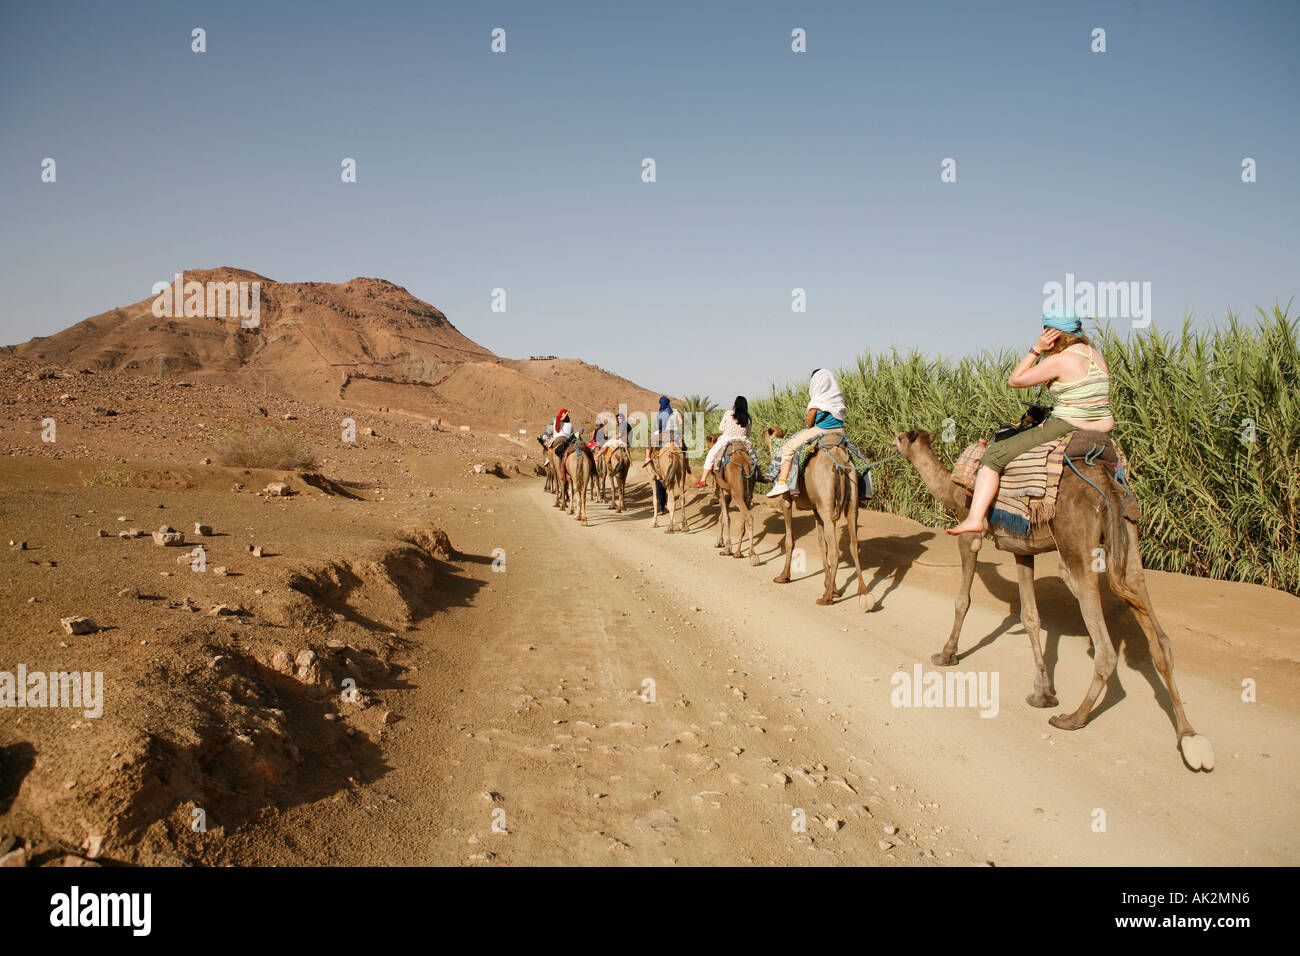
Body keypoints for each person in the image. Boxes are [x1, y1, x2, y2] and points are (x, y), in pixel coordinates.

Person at [947, 313, 1114, 536]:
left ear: (1052, 334)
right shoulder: (1096, 355)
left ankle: (976, 518)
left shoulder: (1062, 359)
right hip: (1103, 427)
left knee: (994, 455)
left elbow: (1015, 380)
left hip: (1068, 424)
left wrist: (1036, 349)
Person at [767, 369, 847, 497]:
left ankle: (781, 483)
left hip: (821, 430)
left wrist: (811, 415)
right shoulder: (838, 399)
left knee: (787, 448)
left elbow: (809, 423)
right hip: (840, 431)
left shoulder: (818, 401)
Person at [698, 396, 754, 487]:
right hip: (743, 441)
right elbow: (748, 434)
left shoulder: (729, 413)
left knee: (711, 455)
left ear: (735, 404)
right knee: (754, 458)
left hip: (727, 439)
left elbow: (721, 429)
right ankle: (759, 475)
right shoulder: (748, 417)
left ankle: (703, 480)